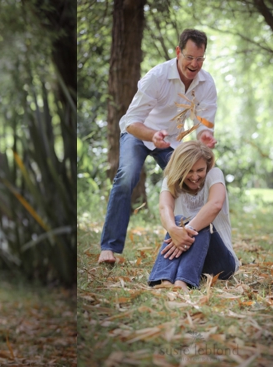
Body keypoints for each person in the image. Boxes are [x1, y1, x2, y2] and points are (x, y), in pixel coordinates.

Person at [99, 29, 218, 264]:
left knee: (194, 181)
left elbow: (204, 123)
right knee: (127, 176)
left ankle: (190, 243)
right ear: (178, 52)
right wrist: (153, 135)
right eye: (189, 57)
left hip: (171, 141)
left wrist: (205, 137)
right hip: (140, 134)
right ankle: (108, 248)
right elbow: (130, 122)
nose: (194, 64)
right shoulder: (157, 76)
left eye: (200, 59)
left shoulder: (206, 83)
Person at [147, 141, 238, 289]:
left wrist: (185, 231)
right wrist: (173, 230)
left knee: (203, 222)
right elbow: (165, 208)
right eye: (189, 171)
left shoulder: (214, 174)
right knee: (176, 221)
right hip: (189, 262)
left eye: (200, 170)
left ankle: (182, 283)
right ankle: (165, 281)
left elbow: (215, 205)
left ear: (207, 166)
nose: (195, 176)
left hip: (221, 264)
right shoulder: (170, 180)